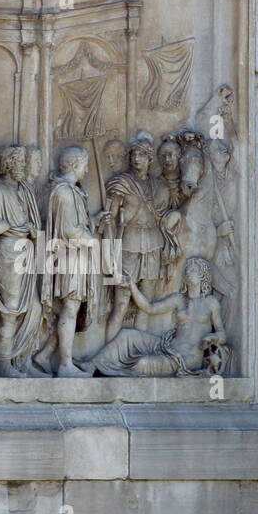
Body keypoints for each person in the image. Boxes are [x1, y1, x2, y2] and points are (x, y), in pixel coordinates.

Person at [32, 145, 111, 377]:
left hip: (75, 255)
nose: (86, 171)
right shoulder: (65, 192)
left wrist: (94, 222)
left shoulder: (72, 191)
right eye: (84, 165)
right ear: (75, 164)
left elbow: (76, 225)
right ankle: (65, 365)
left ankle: (46, 355)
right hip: (69, 257)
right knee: (70, 307)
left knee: (72, 309)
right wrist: (93, 242)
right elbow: (69, 230)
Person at [84, 256, 228, 376]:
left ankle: (110, 375)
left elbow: (221, 333)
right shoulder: (179, 299)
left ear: (203, 275)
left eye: (194, 269)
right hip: (166, 346)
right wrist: (132, 287)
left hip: (186, 358)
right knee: (127, 335)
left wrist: (213, 337)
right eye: (188, 269)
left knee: (143, 364)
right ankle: (92, 365)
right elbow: (149, 308)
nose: (189, 272)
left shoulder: (211, 303)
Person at [103, 131, 177, 339]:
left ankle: (137, 352)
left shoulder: (160, 187)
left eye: (142, 155)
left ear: (149, 158)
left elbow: (163, 218)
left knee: (146, 302)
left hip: (153, 244)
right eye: (134, 154)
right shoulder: (121, 183)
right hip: (129, 244)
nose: (137, 158)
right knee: (121, 303)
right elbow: (110, 218)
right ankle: (108, 355)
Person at [0, 144, 43, 377]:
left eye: (23, 163)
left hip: (26, 249)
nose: (22, 167)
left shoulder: (24, 190)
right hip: (8, 252)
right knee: (9, 311)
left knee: (34, 308)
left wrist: (31, 229)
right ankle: (3, 364)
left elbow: (33, 219)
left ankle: (24, 359)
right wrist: (13, 227)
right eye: (18, 163)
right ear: (8, 165)